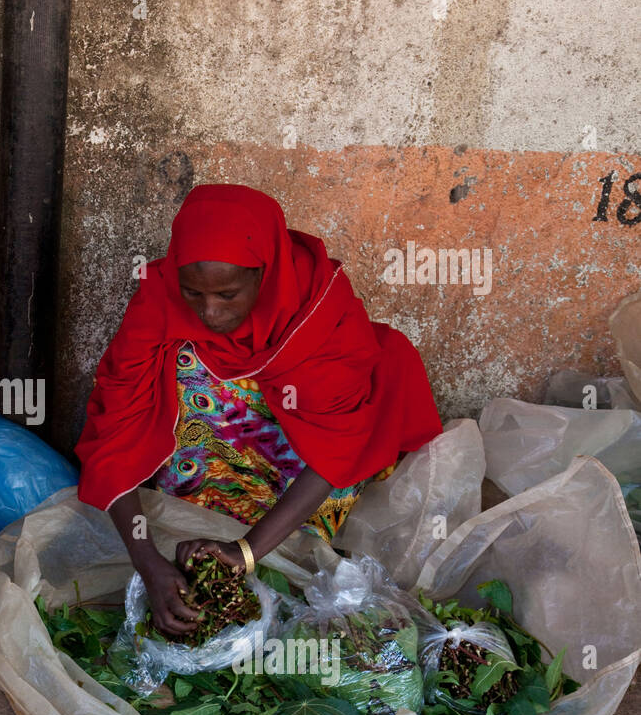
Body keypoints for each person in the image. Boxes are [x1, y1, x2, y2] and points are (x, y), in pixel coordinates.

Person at [75, 184, 442, 636]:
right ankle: (208, 507)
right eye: (193, 293)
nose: (209, 312)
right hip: (209, 475)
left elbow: (335, 451)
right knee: (185, 361)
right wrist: (148, 561)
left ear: (264, 274)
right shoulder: (159, 299)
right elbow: (117, 429)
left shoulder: (319, 311)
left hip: (299, 477)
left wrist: (246, 552)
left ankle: (282, 536)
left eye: (227, 295)